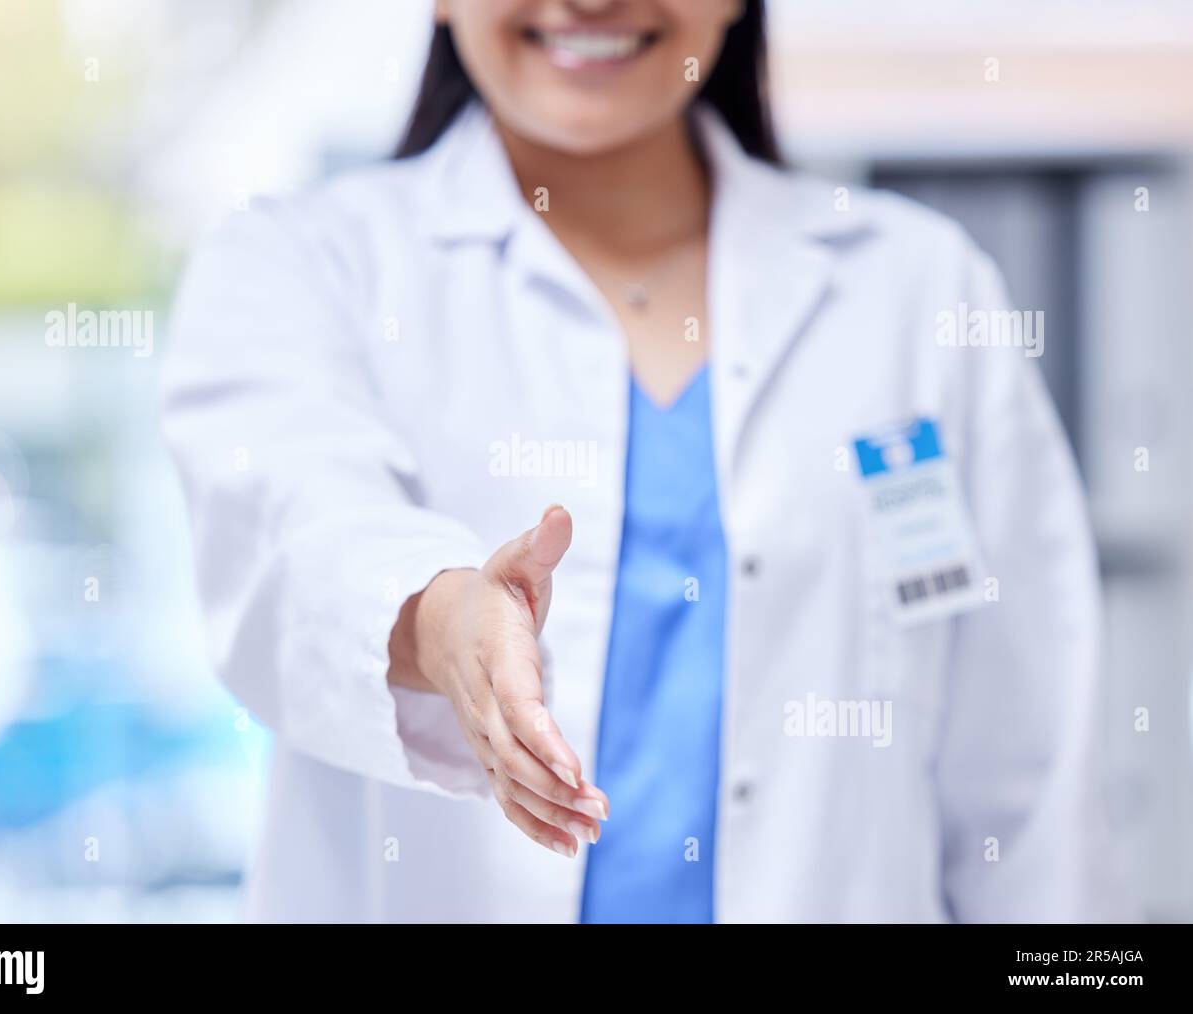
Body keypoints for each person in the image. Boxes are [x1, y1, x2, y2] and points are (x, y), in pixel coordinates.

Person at [161, 0, 1130, 922]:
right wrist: (445, 620)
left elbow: (1027, 780)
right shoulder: (299, 265)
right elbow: (298, 532)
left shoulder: (916, 290)